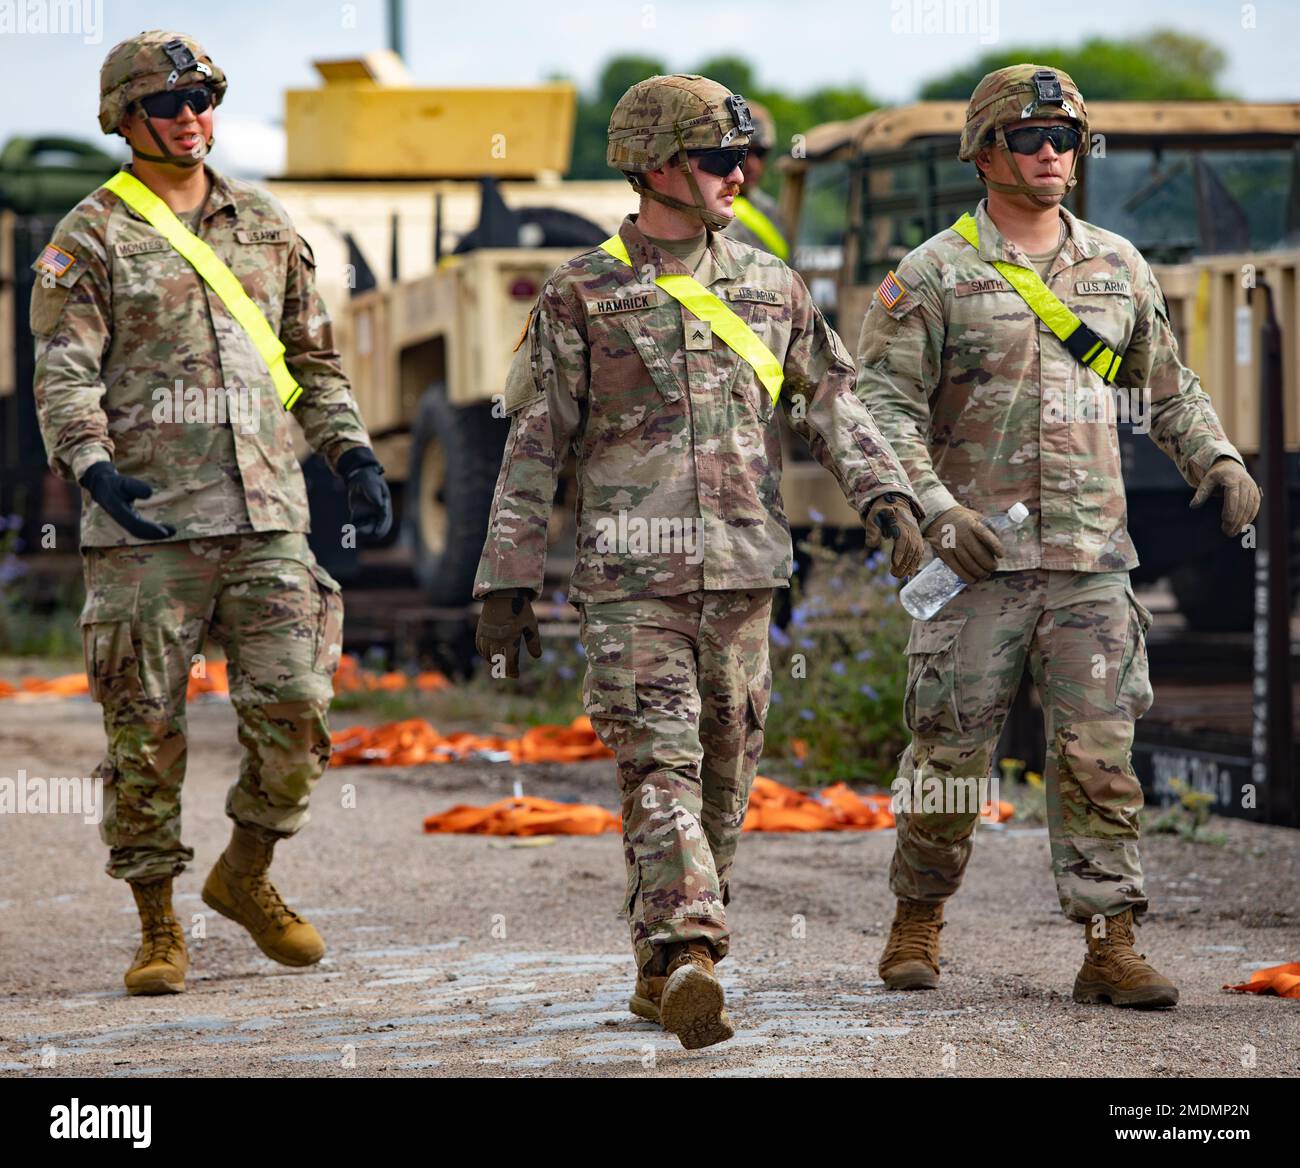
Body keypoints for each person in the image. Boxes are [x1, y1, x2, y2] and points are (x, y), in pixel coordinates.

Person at [473, 74, 924, 1048]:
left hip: (744, 575)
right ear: (655, 166)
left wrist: (889, 499)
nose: (740, 175)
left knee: (724, 783)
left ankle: (660, 965)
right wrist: (506, 576)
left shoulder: (772, 286)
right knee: (659, 763)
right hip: (630, 582)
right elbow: (537, 440)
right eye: (719, 158)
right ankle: (692, 953)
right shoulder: (580, 293)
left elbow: (833, 406)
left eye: (742, 158)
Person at [855, 65, 1261, 1008]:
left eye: (1066, 138)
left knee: (1099, 760)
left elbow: (1167, 386)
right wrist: (934, 509)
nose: (1051, 153)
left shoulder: (1116, 266)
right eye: (1030, 138)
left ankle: (1110, 944)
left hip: (1091, 562)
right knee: (950, 758)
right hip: (975, 565)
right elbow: (882, 408)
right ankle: (918, 916)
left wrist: (1216, 457)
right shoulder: (933, 273)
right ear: (985, 152)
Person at [30, 30, 392, 995]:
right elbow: (64, 371)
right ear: (125, 118)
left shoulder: (264, 224)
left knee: (297, 707)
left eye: (203, 98)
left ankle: (246, 872)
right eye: (167, 103)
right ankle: (158, 925)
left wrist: (352, 452)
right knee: (143, 733)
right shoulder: (90, 236)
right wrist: (93, 467)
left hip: (268, 513)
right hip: (147, 526)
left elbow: (311, 361)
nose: (190, 117)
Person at [724, 101, 790, 259]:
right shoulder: (708, 208)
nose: (753, 165)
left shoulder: (769, 209)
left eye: (760, 154)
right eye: (744, 152)